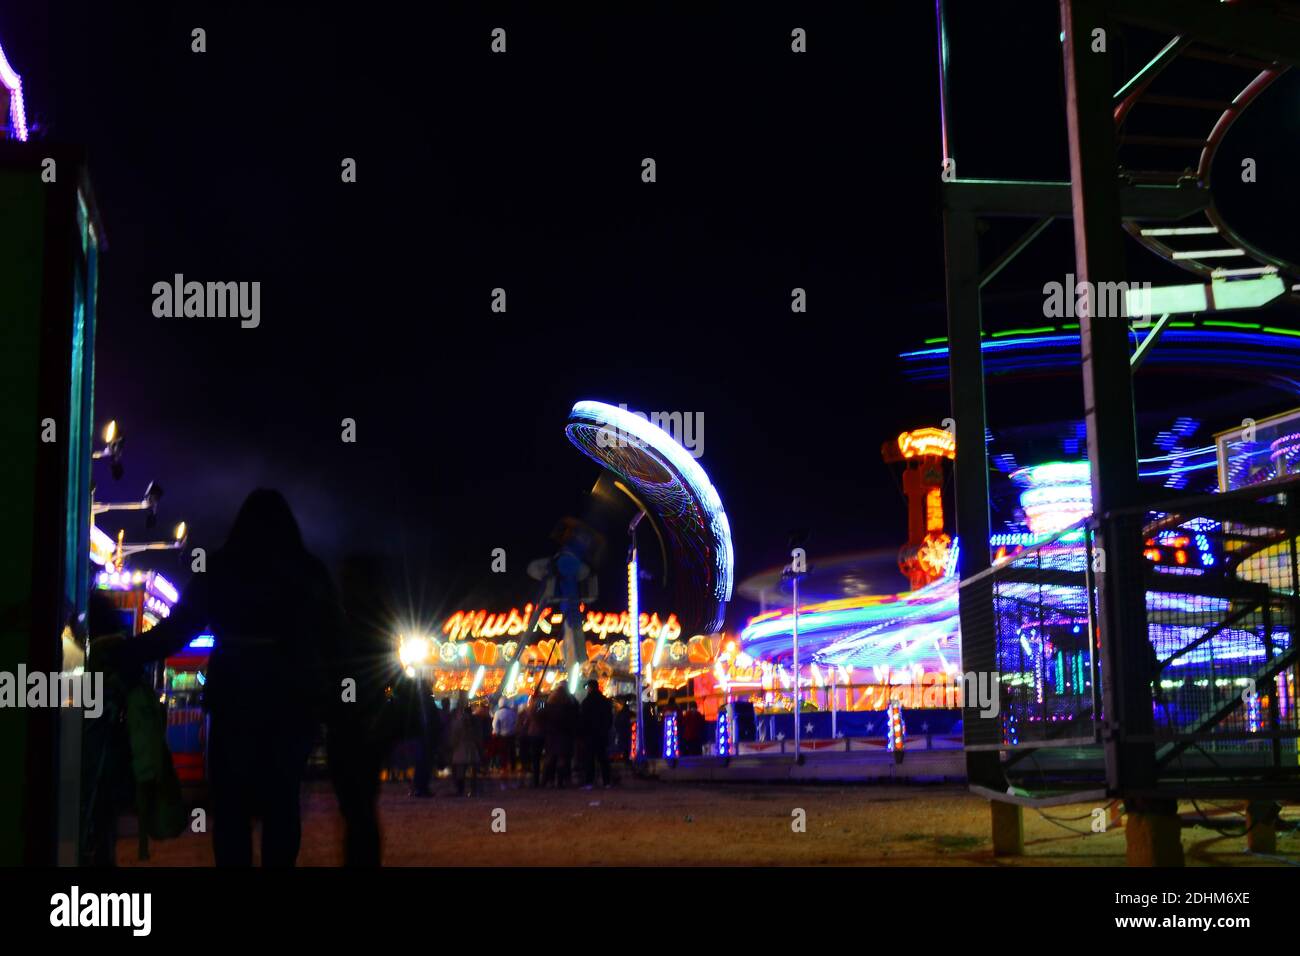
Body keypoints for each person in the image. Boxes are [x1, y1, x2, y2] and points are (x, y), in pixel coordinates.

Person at [141, 489, 341, 866]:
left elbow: (175, 631)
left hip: (233, 702)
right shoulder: (308, 570)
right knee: (282, 806)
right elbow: (337, 640)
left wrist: (123, 651)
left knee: (231, 812)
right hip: (291, 703)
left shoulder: (222, 567)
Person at [80, 593, 190, 866]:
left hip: (90, 764)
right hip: (117, 764)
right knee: (103, 825)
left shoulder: (90, 663)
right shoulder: (125, 672)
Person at [541, 683, 580, 787]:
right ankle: (561, 781)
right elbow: (576, 717)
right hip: (565, 734)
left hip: (551, 734)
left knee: (550, 758)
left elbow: (540, 713)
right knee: (563, 759)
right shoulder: (571, 703)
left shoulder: (549, 703)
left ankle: (546, 780)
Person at [579, 679, 614, 788]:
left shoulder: (586, 702)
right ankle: (606, 782)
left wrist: (583, 732)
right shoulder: (604, 701)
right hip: (602, 734)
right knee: (603, 758)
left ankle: (589, 782)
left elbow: (583, 719)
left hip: (590, 734)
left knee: (590, 759)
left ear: (590, 688)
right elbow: (609, 718)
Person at [448, 692, 482, 796]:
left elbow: (455, 733)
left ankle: (460, 790)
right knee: (472, 770)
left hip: (461, 746)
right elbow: (478, 734)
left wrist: (452, 745)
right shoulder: (475, 720)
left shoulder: (459, 721)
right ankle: (473, 789)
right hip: (471, 745)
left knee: (460, 770)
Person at [518, 697, 545, 787]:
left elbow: (525, 725)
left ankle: (534, 780)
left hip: (533, 735)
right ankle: (537, 779)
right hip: (541, 735)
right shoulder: (542, 711)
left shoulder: (529, 712)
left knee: (534, 758)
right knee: (538, 757)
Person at [492, 700, 518, 774]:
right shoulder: (512, 713)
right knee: (512, 752)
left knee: (503, 752)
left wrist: (496, 733)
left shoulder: (498, 713)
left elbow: (495, 725)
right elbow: (516, 723)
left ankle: (504, 768)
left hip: (502, 736)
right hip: (512, 735)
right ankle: (513, 767)